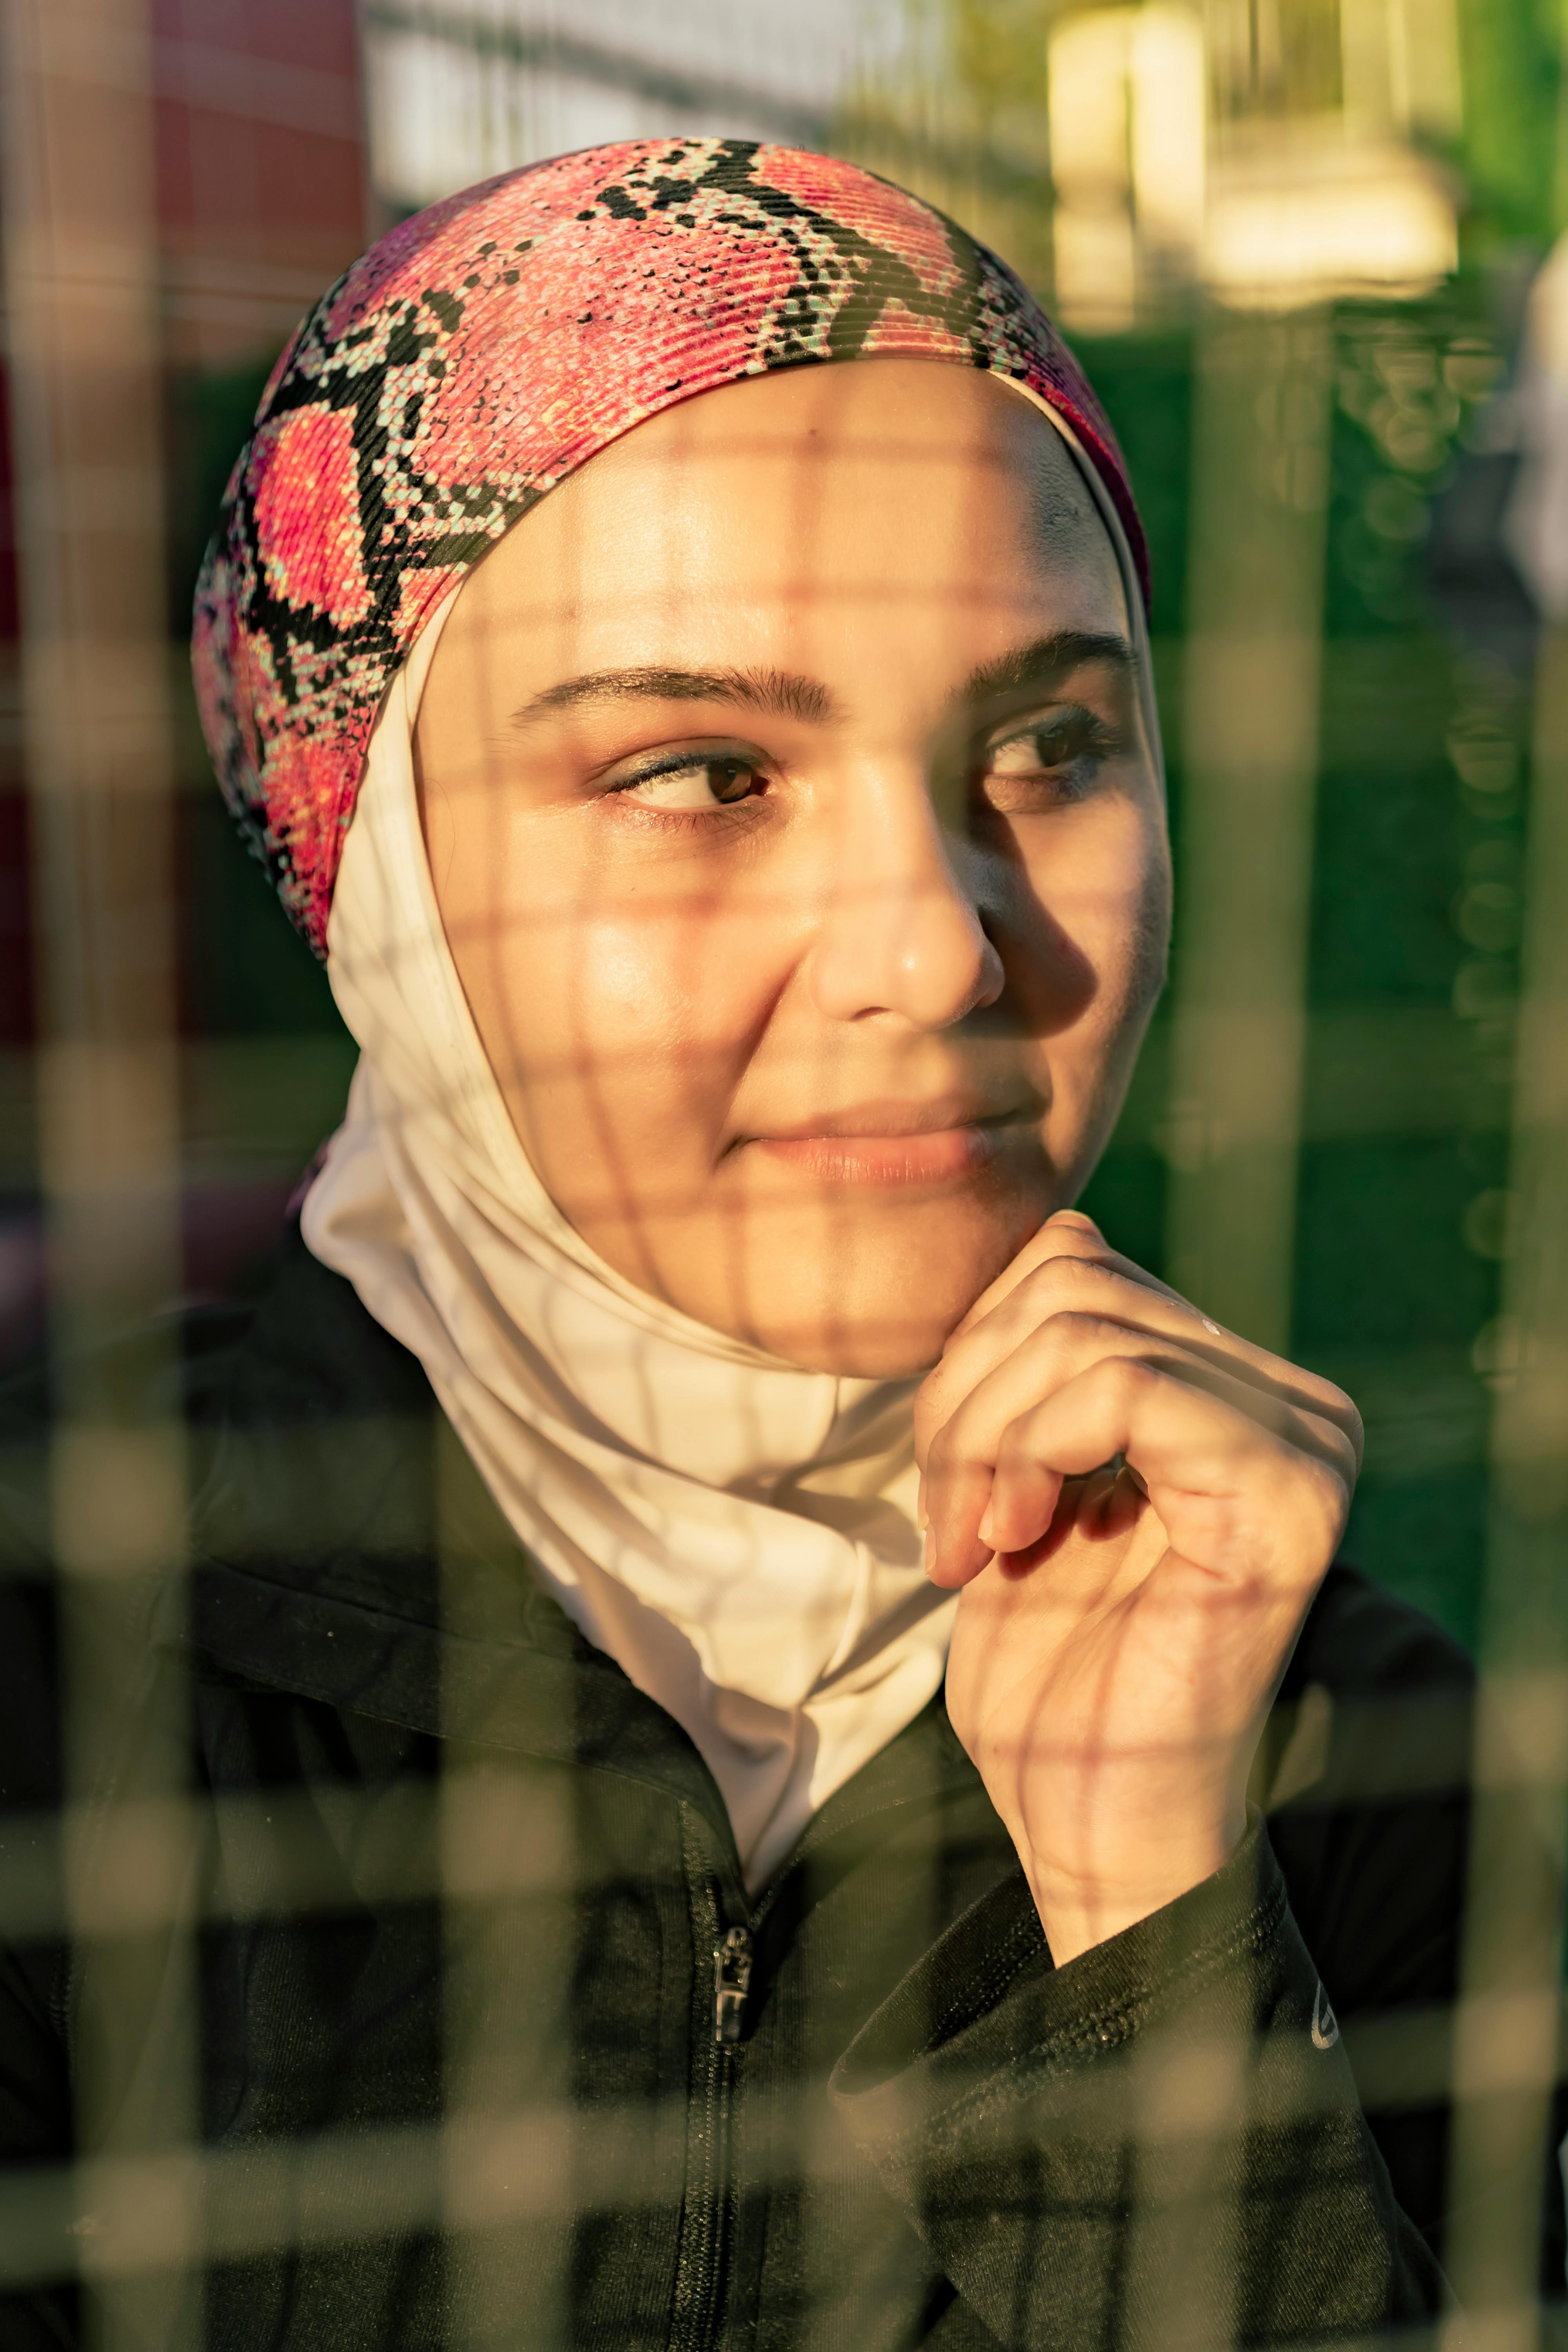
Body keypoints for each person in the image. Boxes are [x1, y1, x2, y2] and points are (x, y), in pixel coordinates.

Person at [0, 137, 1558, 2349]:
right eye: (704, 774)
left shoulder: (1336, 1736)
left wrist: (1154, 1932)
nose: (936, 950)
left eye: (1049, 743)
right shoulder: (65, 1656)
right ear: (388, 890)